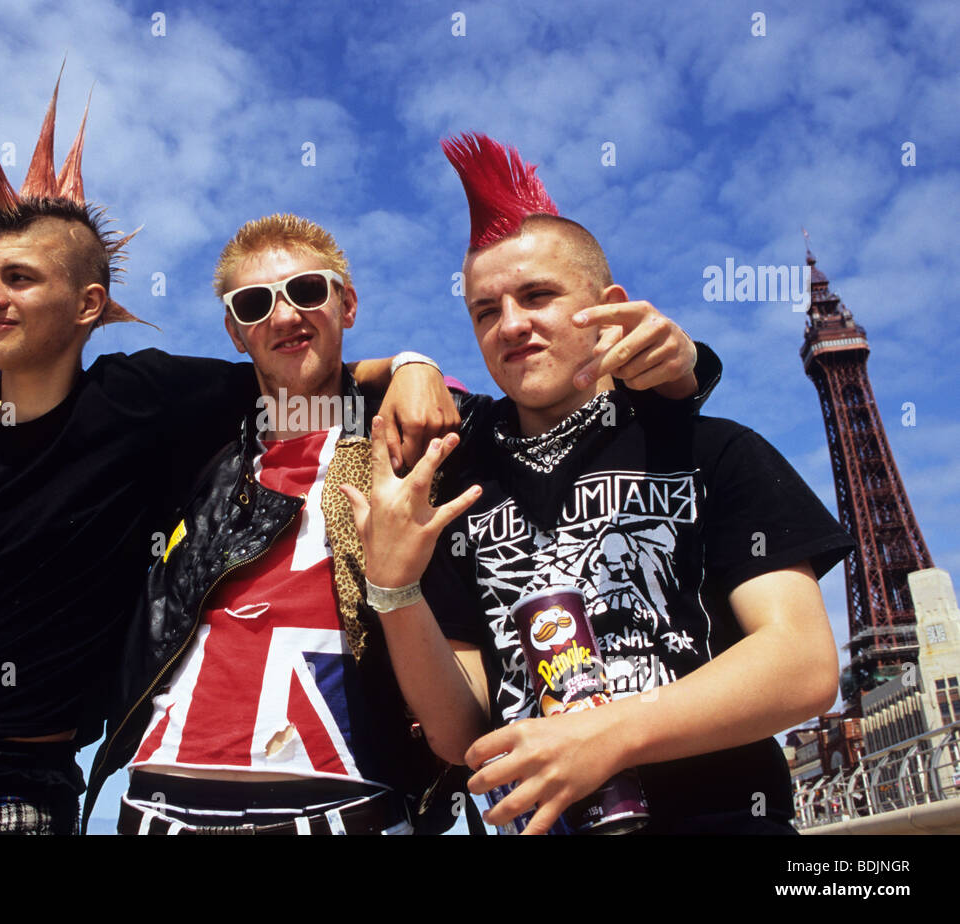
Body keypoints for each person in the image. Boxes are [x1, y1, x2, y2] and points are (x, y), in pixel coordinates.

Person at [0, 74, 449, 835]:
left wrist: (415, 365)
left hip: (27, 789)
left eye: (19, 278)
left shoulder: (144, 401)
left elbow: (296, 367)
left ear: (89, 305)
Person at [81, 212, 706, 835]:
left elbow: (571, 426)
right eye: (253, 303)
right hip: (157, 799)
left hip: (352, 798)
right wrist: (408, 361)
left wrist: (682, 373)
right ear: (234, 330)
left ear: (346, 304)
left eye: (306, 291)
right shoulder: (198, 450)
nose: (283, 316)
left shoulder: (429, 432)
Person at [340, 133, 854, 835]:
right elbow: (461, 732)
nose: (512, 325)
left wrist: (613, 733)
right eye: (486, 311)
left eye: (538, 295)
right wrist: (393, 589)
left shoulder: (711, 447)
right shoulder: (457, 490)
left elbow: (802, 666)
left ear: (609, 305)